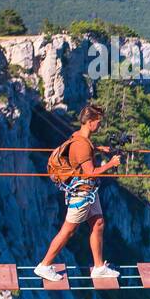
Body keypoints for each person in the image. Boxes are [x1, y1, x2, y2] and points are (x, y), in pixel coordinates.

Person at [35, 103, 122, 281]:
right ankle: (44, 265)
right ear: (90, 122)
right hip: (81, 193)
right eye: (98, 122)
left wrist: (99, 149)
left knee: (98, 223)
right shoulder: (82, 145)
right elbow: (90, 171)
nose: (100, 125)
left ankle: (98, 267)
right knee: (68, 231)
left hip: (89, 191)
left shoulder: (79, 137)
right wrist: (110, 164)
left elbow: (84, 151)